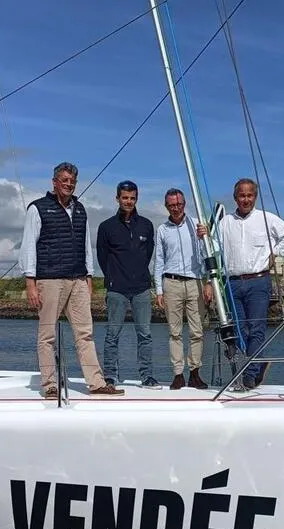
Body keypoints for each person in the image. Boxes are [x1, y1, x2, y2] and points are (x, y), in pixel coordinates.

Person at [19, 162, 123, 397]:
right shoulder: (38, 209)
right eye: (64, 180)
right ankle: (50, 385)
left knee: (85, 333)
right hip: (49, 280)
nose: (68, 184)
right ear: (54, 182)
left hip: (78, 279)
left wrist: (89, 276)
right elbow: (28, 247)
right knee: (47, 335)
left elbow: (86, 245)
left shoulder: (80, 209)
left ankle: (96, 383)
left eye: (72, 181)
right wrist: (30, 283)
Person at [218, 177, 284, 389]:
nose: (246, 199)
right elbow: (214, 246)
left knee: (256, 329)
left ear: (255, 197)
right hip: (232, 283)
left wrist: (276, 252)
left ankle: (250, 374)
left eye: (250, 195)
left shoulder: (266, 219)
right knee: (239, 330)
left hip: (258, 281)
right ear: (235, 198)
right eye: (242, 195)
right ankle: (258, 363)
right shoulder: (225, 222)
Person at [96, 180, 159, 389]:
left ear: (136, 199)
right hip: (117, 289)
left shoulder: (147, 225)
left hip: (141, 287)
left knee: (145, 335)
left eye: (132, 198)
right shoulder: (106, 227)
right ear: (117, 199)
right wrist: (113, 277)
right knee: (112, 335)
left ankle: (147, 376)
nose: (128, 201)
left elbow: (148, 254)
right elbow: (102, 257)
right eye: (125, 198)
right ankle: (110, 376)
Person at [154, 188, 213, 390]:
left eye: (179, 204)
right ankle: (178, 374)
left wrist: (209, 282)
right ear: (166, 206)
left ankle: (195, 373)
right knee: (175, 332)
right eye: (172, 205)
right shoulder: (162, 230)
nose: (176, 208)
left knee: (197, 331)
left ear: (184, 204)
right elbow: (159, 260)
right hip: (171, 283)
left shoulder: (197, 225)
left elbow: (208, 254)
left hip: (195, 281)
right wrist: (159, 290)